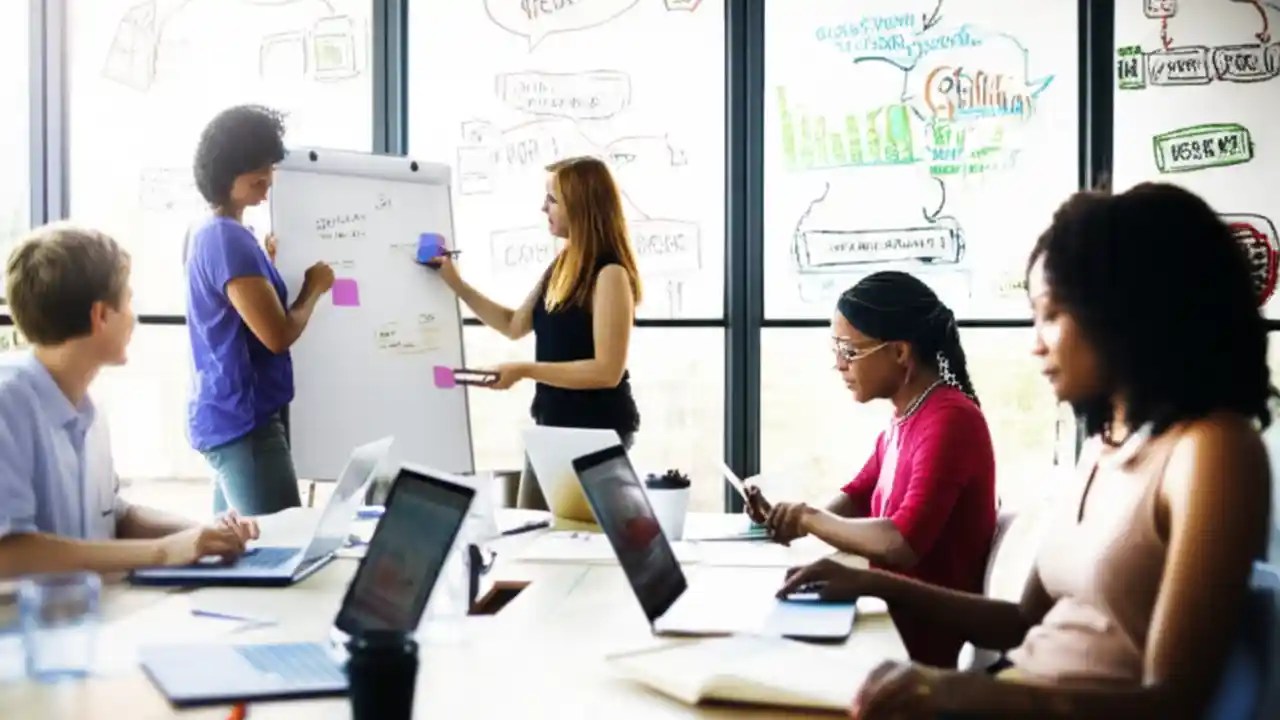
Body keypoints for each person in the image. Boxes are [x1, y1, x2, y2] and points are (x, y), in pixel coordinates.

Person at [778, 183, 1273, 720]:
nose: (1036, 343)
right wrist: (867, 582)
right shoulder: (1105, 446)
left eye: (1051, 315)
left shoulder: (1213, 450)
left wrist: (962, 692)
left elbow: (1172, 702)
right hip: (1013, 691)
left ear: (1129, 311)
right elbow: (1022, 622)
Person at [746, 270, 996, 668]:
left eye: (849, 350)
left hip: (920, 651)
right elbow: (856, 497)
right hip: (890, 623)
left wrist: (809, 518)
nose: (839, 365)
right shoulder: (905, 418)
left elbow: (901, 543)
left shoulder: (951, 419)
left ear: (899, 352)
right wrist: (789, 518)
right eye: (835, 349)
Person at [0, 223, 258, 578]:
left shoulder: (86, 407)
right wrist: (162, 552)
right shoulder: (8, 403)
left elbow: (115, 517)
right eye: (128, 300)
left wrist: (201, 533)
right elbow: (8, 553)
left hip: (95, 616)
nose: (134, 316)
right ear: (100, 316)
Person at [427, 156, 643, 509]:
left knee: (568, 545)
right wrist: (456, 284)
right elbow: (514, 325)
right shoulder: (562, 265)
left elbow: (607, 371)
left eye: (552, 199)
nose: (544, 208)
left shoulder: (610, 274)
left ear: (581, 205)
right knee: (536, 535)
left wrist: (524, 370)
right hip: (551, 427)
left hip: (595, 434)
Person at [185, 104, 334, 515]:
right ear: (228, 174)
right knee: (277, 546)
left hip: (230, 417)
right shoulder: (228, 240)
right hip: (245, 422)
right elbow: (278, 335)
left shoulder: (213, 233)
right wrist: (313, 290)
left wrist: (263, 259)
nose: (268, 183)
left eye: (269, 170)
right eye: (258, 175)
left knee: (237, 546)